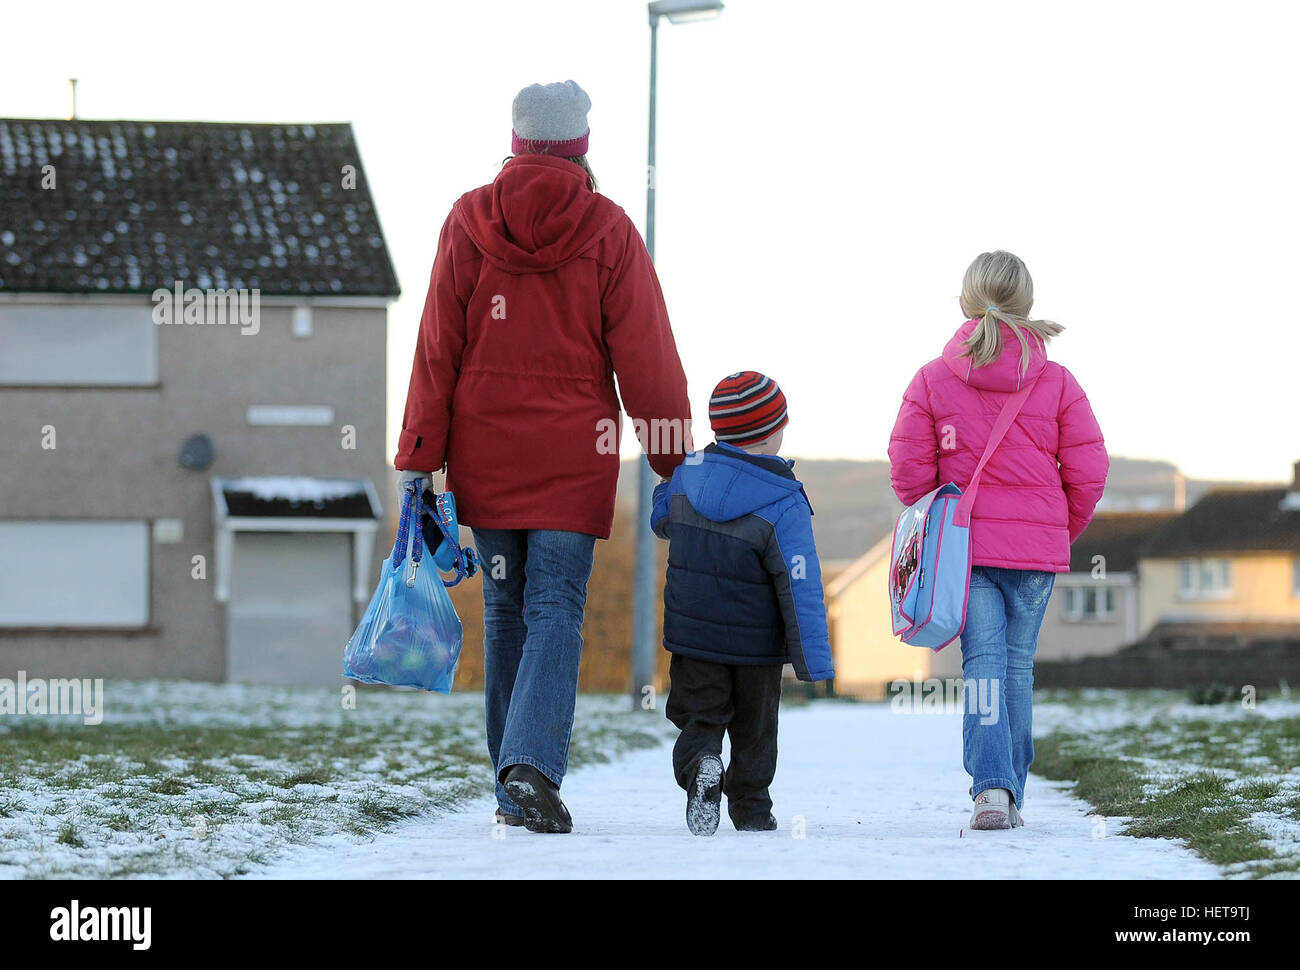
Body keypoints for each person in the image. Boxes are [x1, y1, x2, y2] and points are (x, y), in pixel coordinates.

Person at [395, 80, 691, 834]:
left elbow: (438, 346)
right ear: (581, 146)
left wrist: (419, 455)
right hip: (572, 455)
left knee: (505, 611)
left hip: (485, 452)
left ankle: (511, 785)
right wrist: (671, 458)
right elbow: (646, 355)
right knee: (555, 606)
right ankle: (527, 770)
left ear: (519, 141)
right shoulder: (609, 229)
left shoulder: (468, 219)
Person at [888, 251, 1108, 830]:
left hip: (967, 552)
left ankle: (991, 790)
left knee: (982, 664)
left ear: (965, 302)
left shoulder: (932, 380)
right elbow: (1088, 472)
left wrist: (939, 525)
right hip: (1035, 554)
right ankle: (1010, 788)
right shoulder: (1058, 383)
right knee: (1017, 667)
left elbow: (909, 472)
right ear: (1027, 303)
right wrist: (1057, 531)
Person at [652, 372, 833, 836]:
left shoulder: (683, 481)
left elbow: (660, 517)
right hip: (758, 650)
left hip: (693, 641)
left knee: (699, 717)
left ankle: (702, 766)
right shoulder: (785, 501)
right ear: (774, 432)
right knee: (756, 732)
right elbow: (801, 584)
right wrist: (813, 662)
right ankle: (751, 810)